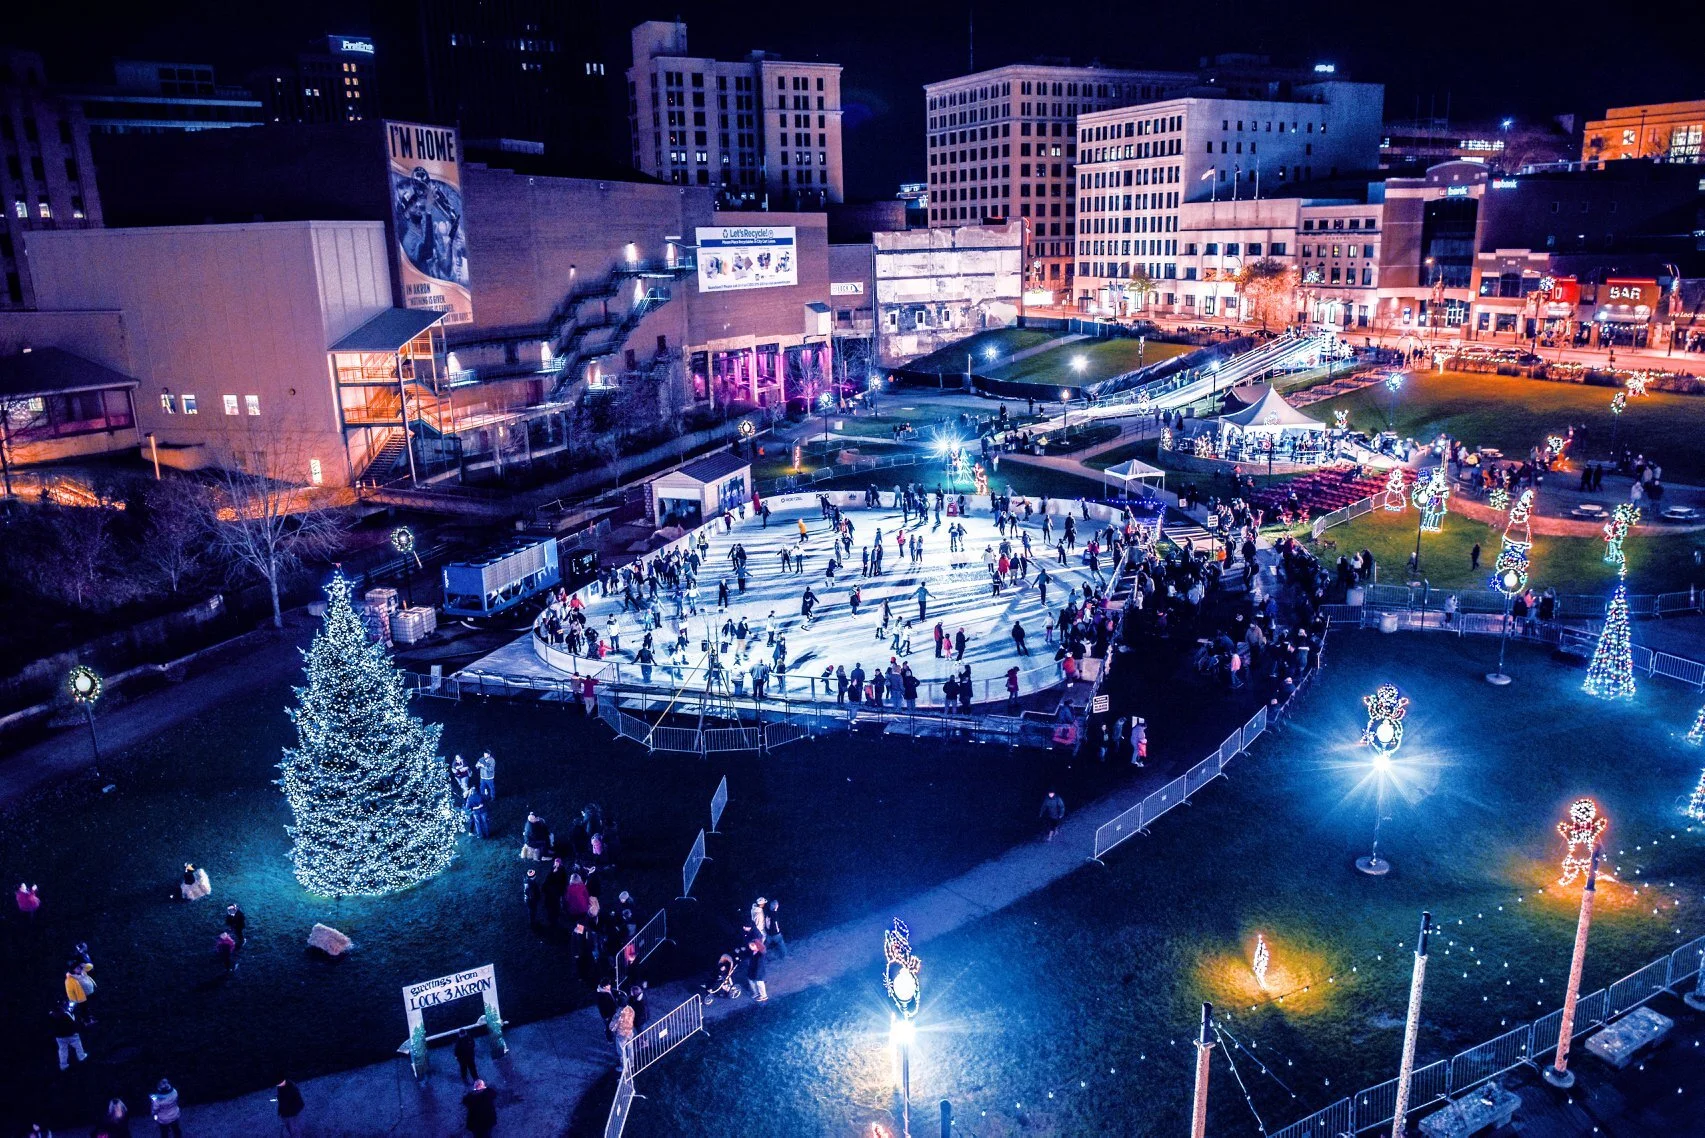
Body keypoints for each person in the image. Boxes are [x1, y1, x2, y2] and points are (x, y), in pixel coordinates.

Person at [50, 1000, 86, 1070]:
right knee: (78, 1045)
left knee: (62, 1050)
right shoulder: (67, 1013)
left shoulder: (52, 1014)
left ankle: (63, 1065)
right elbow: (73, 1022)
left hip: (59, 1036)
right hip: (71, 1034)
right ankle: (81, 1057)